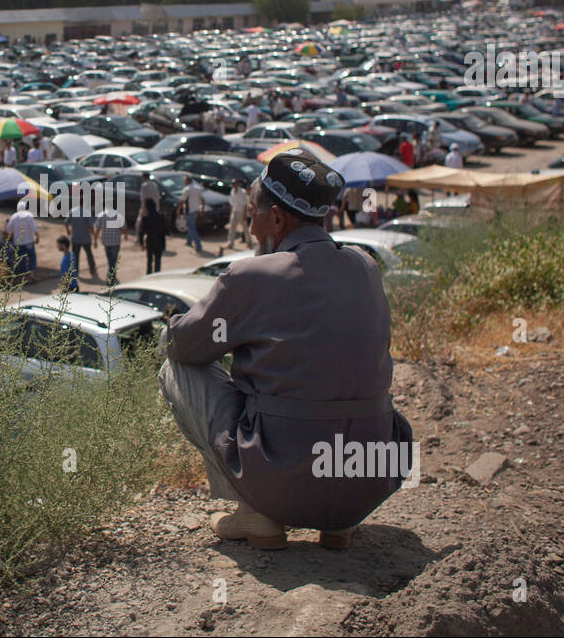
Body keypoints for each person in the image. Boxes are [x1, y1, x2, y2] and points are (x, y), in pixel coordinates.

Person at [158, 149, 413, 550]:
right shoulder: (364, 266)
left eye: (255, 216)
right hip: (368, 480)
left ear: (277, 217)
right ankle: (338, 523)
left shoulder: (251, 275)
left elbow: (185, 347)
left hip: (284, 480)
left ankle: (256, 514)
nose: (252, 228)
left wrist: (178, 335)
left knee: (176, 370)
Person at [65, 189, 99, 281]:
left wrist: (68, 230)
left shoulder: (72, 211)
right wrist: (94, 236)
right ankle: (92, 269)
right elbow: (90, 226)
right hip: (85, 238)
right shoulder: (87, 212)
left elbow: (66, 222)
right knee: (89, 254)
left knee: (75, 256)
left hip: (75, 238)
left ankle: (76, 272)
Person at [5, 199, 39, 277]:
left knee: (21, 259)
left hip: (18, 243)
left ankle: (23, 276)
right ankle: (32, 274)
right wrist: (37, 237)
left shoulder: (14, 216)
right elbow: (34, 228)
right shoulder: (29, 215)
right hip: (29, 241)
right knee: (32, 257)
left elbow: (8, 230)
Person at [94, 202, 125, 286]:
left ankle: (111, 277)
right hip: (115, 242)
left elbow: (97, 229)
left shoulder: (102, 216)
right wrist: (125, 235)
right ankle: (111, 278)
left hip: (106, 242)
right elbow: (123, 227)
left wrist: (95, 241)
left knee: (110, 261)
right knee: (113, 261)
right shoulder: (119, 216)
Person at [138, 198, 167, 274]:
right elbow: (165, 231)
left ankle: (149, 276)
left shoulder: (145, 217)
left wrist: (141, 243)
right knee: (158, 262)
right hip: (160, 241)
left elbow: (141, 232)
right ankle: (157, 276)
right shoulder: (161, 216)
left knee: (149, 262)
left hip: (150, 241)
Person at [182, 176, 205, 253]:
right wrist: (202, 209)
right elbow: (203, 200)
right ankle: (189, 241)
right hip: (196, 210)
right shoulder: (197, 188)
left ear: (188, 181)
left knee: (191, 228)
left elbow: (182, 201)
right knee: (191, 226)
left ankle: (198, 245)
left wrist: (178, 210)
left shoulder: (187, 189)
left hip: (190, 211)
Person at [224, 180, 249, 252]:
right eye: (232, 184)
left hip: (241, 211)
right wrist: (231, 212)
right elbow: (231, 202)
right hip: (235, 211)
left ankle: (249, 242)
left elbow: (245, 204)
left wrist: (244, 214)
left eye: (235, 183)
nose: (233, 185)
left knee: (245, 228)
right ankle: (230, 243)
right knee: (232, 228)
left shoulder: (242, 192)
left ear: (238, 184)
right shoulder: (232, 191)